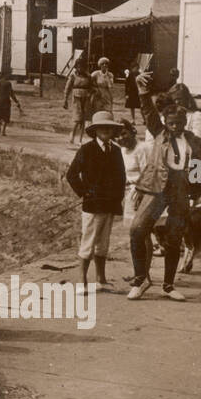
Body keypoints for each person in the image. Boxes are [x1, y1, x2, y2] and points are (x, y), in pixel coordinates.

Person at [126, 86, 201, 301]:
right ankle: (141, 278)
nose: (175, 127)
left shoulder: (192, 141)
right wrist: (143, 90)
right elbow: (148, 113)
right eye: (171, 123)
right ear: (164, 122)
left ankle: (168, 285)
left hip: (180, 188)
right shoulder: (159, 132)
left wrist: (196, 190)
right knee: (137, 229)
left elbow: (198, 164)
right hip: (157, 187)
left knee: (174, 236)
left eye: (179, 124)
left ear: (185, 123)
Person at [65, 112, 125, 292]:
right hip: (93, 204)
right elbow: (72, 175)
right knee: (88, 241)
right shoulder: (87, 150)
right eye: (102, 127)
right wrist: (85, 193)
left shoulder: (115, 150)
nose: (106, 130)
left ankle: (101, 279)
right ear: (95, 130)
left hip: (110, 203)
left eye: (110, 128)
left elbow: (121, 176)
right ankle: (82, 280)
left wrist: (118, 196)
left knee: (103, 242)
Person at [63, 58, 93, 145]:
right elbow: (67, 88)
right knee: (77, 119)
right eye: (79, 67)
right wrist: (65, 100)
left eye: (82, 67)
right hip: (76, 99)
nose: (80, 69)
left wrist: (91, 94)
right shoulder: (73, 76)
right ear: (76, 67)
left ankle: (80, 139)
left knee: (83, 120)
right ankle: (72, 135)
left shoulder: (88, 76)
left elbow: (91, 87)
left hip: (86, 99)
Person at [0, 68, 21, 135]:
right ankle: (3, 132)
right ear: (6, 75)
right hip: (6, 102)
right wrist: (16, 101)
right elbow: (11, 94)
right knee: (6, 117)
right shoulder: (8, 83)